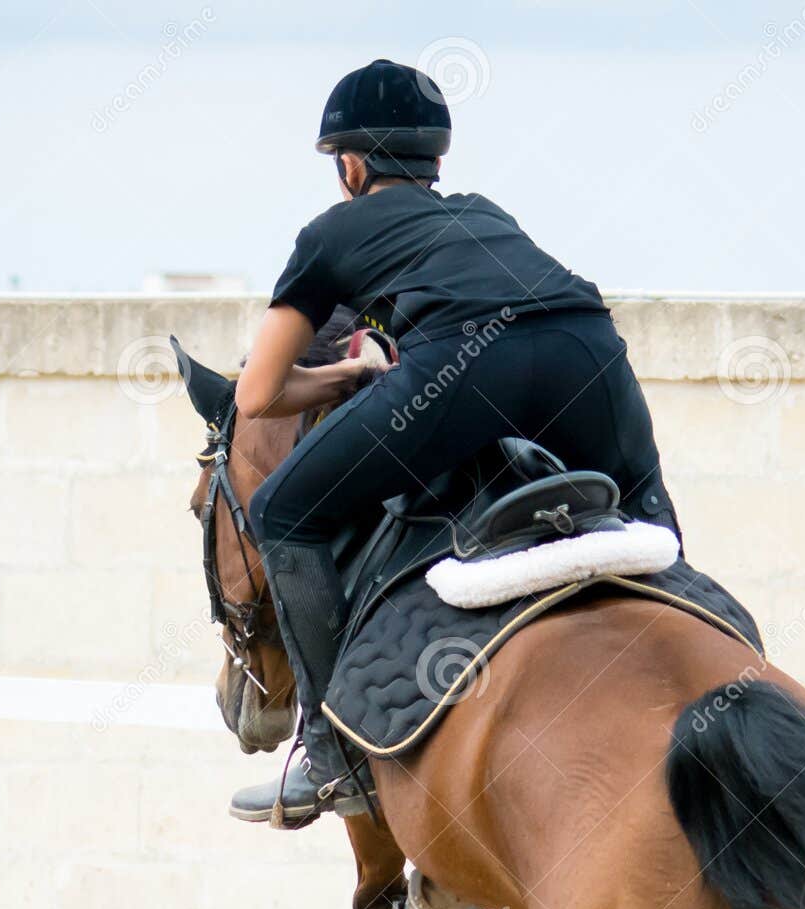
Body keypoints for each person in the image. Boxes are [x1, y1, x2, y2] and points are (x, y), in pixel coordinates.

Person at [229, 58, 683, 827]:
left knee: (281, 512)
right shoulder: (484, 213)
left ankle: (333, 756)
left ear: (350, 166)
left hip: (472, 365)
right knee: (647, 518)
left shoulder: (330, 233)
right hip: (590, 351)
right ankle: (701, 675)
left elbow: (257, 393)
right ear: (436, 160)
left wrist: (346, 378)